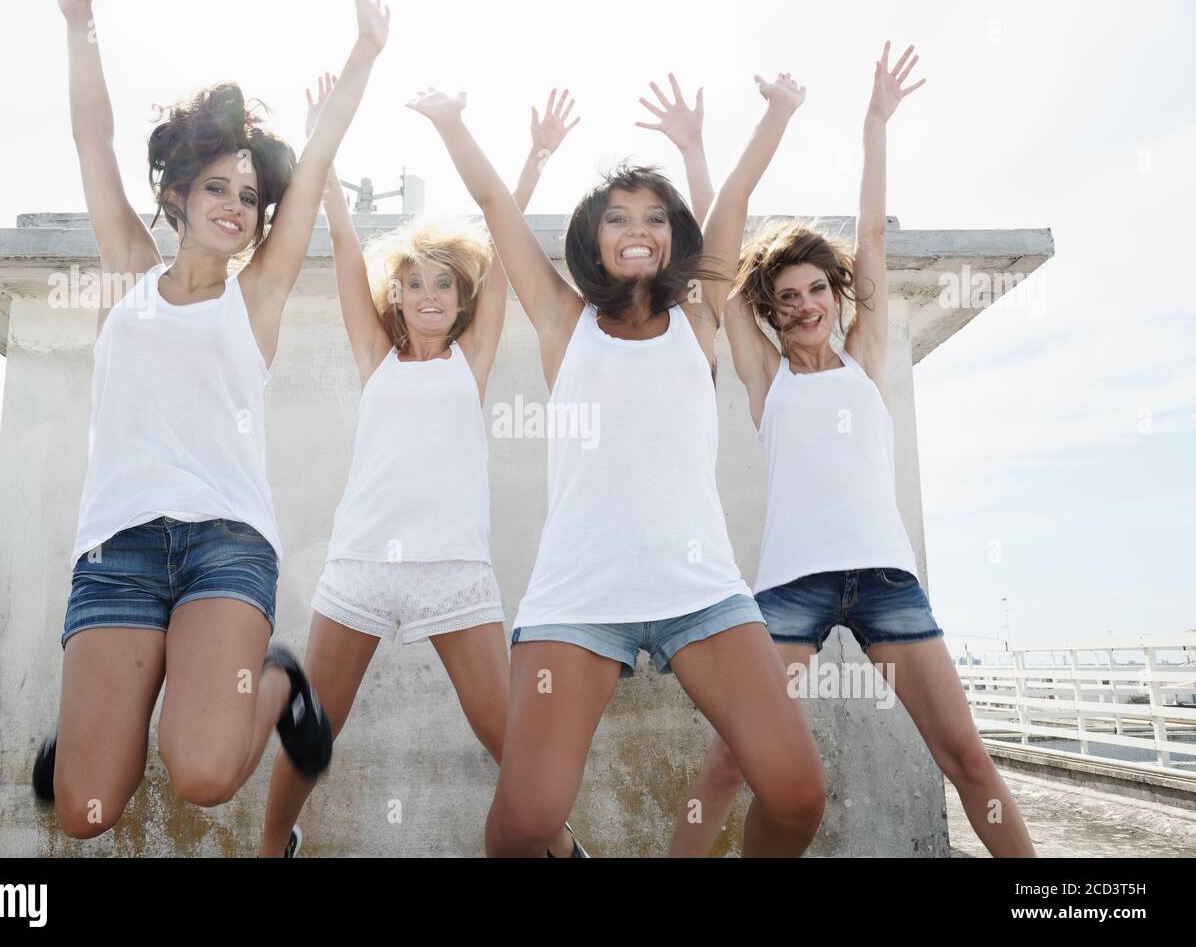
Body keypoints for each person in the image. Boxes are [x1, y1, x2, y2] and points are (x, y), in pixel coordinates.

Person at [408, 73, 826, 857]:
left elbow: (735, 196)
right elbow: (499, 209)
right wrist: (451, 122)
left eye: (655, 217)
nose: (639, 229)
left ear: (674, 236)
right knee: (524, 824)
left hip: (700, 591)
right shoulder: (566, 323)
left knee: (798, 794)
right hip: (579, 592)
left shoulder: (696, 320)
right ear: (592, 239)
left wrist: (777, 110)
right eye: (619, 218)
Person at [33, 0, 390, 841]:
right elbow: (92, 137)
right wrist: (77, 21)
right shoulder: (125, 272)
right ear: (179, 195)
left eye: (249, 195)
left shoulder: (255, 297)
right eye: (217, 187)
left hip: (224, 545)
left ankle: (277, 680)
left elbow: (314, 165)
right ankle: (92, 730)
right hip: (117, 549)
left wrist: (364, 56)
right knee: (85, 810)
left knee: (201, 773)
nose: (238, 204)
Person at [670, 44, 1036, 857]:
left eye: (815, 292)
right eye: (787, 298)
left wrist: (875, 120)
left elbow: (868, 230)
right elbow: (719, 263)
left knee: (967, 756)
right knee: (732, 759)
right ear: (769, 311)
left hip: (886, 581)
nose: (803, 307)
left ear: (836, 296)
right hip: (792, 587)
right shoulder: (768, 376)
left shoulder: (865, 355)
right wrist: (696, 150)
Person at [258, 83, 583, 858]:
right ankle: (273, 845)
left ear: (459, 298)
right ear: (396, 299)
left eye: (444, 283)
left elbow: (504, 249)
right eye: (416, 283)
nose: (430, 293)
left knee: (508, 735)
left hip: (453, 568)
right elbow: (342, 247)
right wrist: (325, 158)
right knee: (314, 727)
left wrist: (533, 158)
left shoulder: (469, 361)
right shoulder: (378, 358)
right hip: (364, 561)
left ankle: (563, 849)